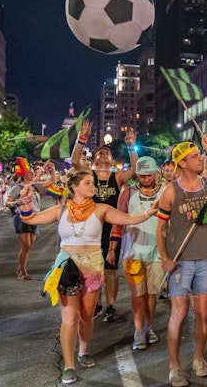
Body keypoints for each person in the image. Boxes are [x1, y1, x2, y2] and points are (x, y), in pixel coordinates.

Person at [18, 170, 157, 384]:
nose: (93, 186)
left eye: (92, 183)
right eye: (88, 183)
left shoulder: (101, 209)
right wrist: (26, 202)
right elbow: (31, 218)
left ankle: (83, 351)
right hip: (67, 266)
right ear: (74, 187)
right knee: (69, 318)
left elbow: (128, 218)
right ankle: (68, 364)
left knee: (86, 316)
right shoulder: (60, 210)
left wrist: (149, 213)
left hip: (92, 266)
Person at [156, 138, 207, 387]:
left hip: (204, 260)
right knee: (179, 315)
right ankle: (174, 367)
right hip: (180, 263)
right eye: (194, 157)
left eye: (200, 156)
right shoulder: (171, 190)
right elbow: (161, 229)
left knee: (203, 314)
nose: (199, 159)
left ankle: (198, 359)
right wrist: (164, 258)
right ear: (181, 163)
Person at [72, 120, 138, 322]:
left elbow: (135, 168)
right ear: (94, 159)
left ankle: (110, 305)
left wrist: (130, 146)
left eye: (106, 153)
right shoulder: (88, 175)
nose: (102, 154)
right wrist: (82, 138)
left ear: (111, 160)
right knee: (92, 270)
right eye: (99, 153)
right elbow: (75, 160)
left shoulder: (117, 178)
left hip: (112, 232)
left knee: (110, 269)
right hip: (91, 230)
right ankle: (97, 304)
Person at [113, 156, 165, 350]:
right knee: (137, 294)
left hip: (157, 252)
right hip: (133, 252)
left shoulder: (165, 192)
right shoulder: (127, 193)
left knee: (152, 294)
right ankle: (138, 331)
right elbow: (118, 221)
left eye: (148, 175)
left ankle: (148, 327)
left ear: (155, 173)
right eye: (141, 176)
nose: (145, 179)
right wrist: (112, 249)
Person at [6, 164, 50, 280]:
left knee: (28, 247)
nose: (33, 173)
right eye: (30, 172)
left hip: (35, 216)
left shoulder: (35, 187)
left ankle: (21, 267)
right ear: (24, 174)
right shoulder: (17, 188)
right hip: (21, 216)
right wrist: (18, 202)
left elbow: (51, 182)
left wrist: (53, 170)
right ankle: (23, 273)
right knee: (26, 245)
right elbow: (7, 203)